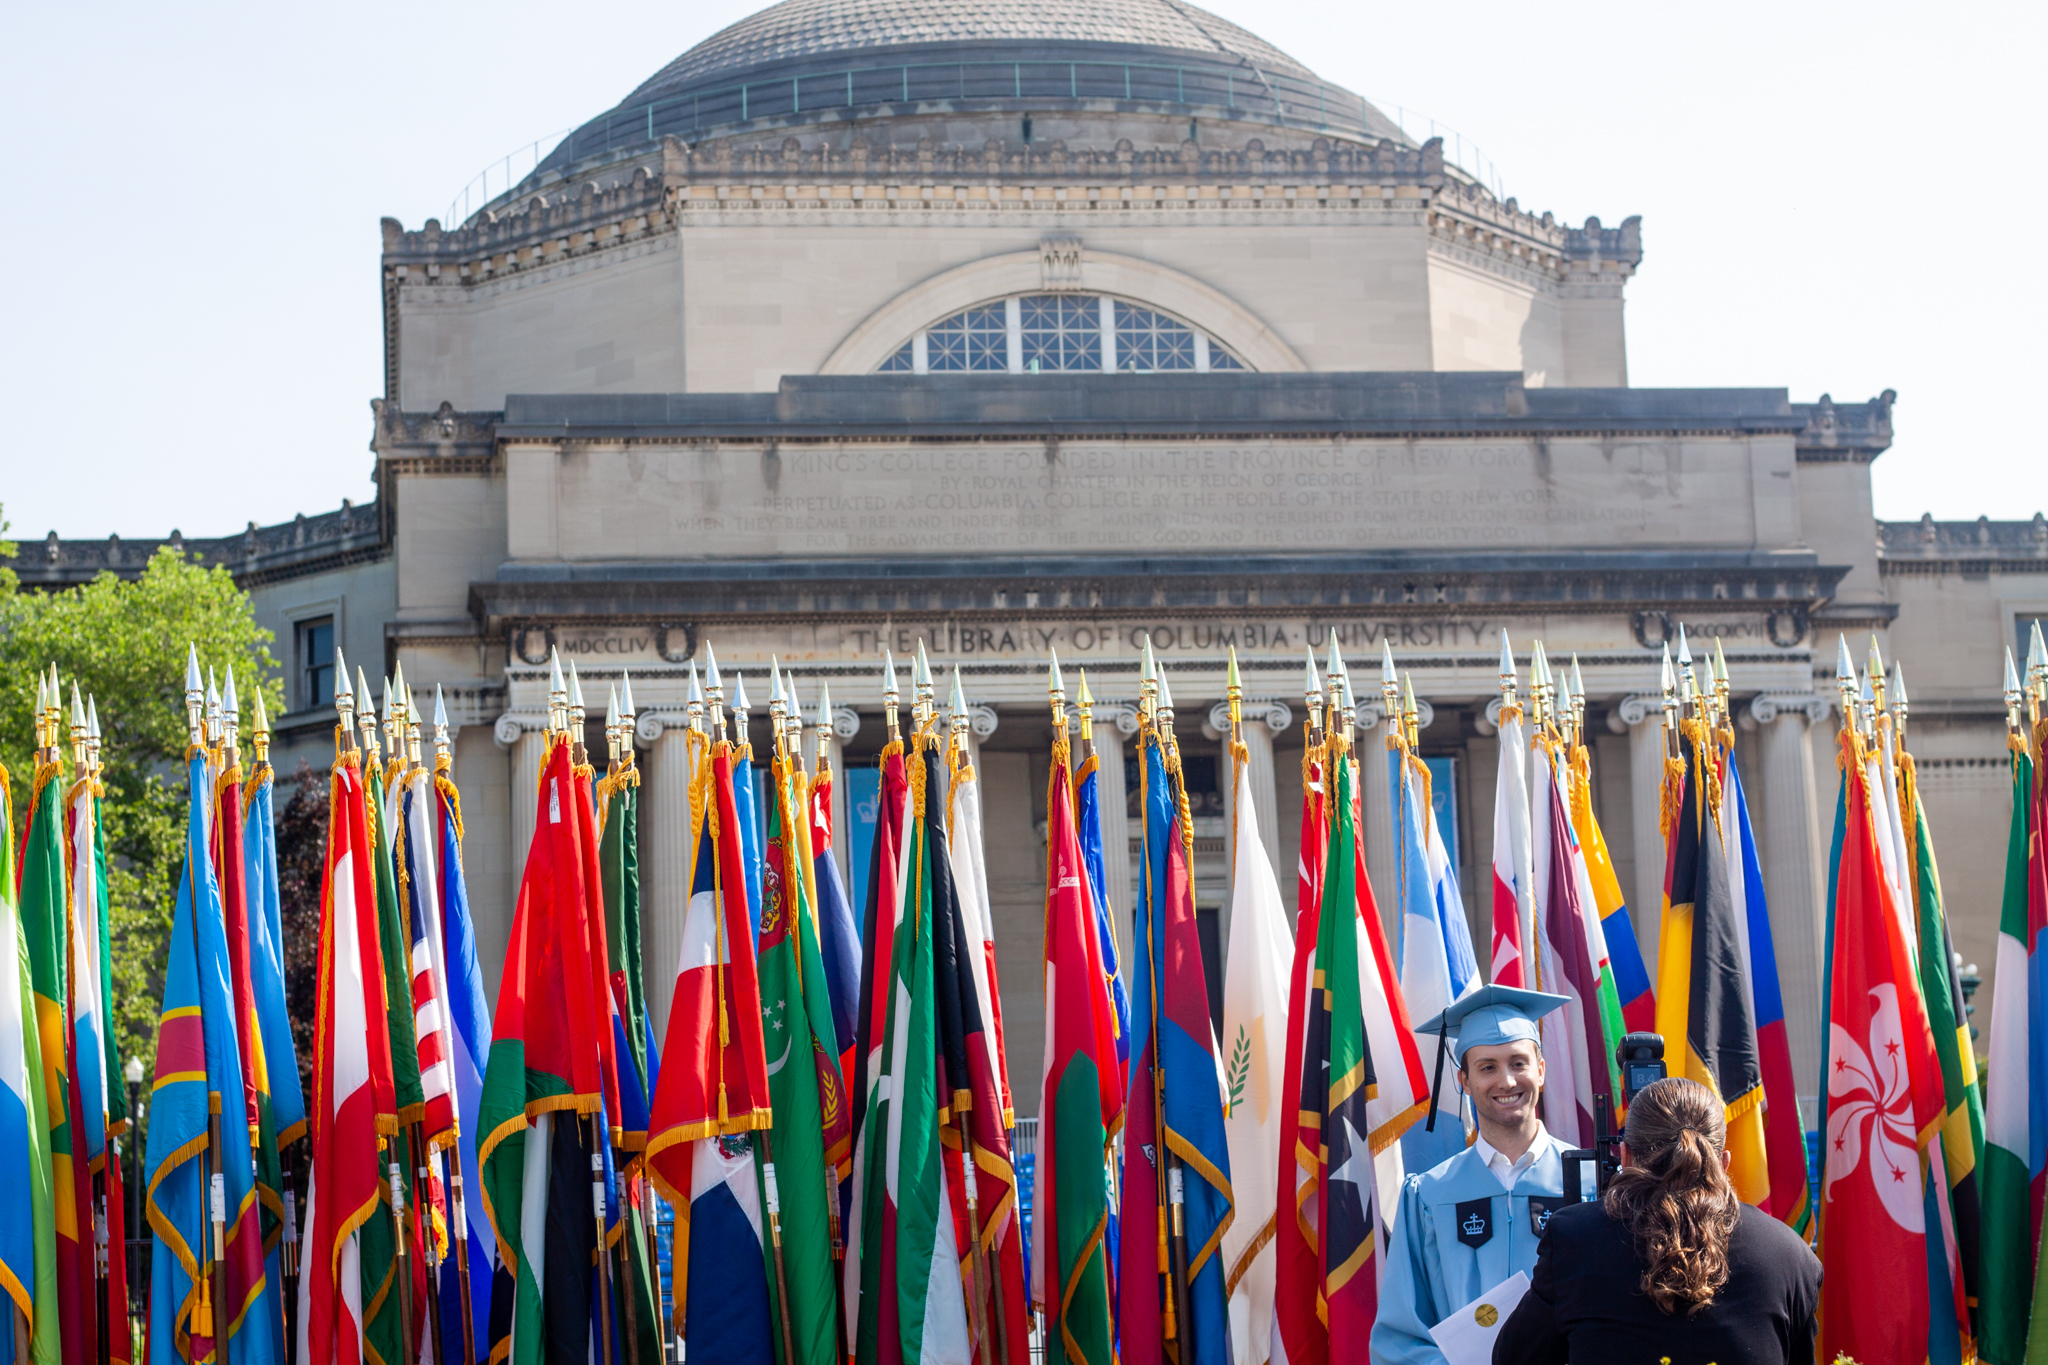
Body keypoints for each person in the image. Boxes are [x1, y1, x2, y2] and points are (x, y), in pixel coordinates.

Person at [1491, 1076, 1822, 1365]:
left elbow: (1515, 1357)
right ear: (1723, 1162)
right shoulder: (1790, 1253)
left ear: (1626, 1155)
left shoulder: (1574, 1237)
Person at [1371, 985, 1580, 1365]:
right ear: (1464, 1080)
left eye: (1519, 1063)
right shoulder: (1429, 1196)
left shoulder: (1589, 1183)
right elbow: (1398, 1342)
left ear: (1541, 1069)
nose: (1507, 1081)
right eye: (1487, 1067)